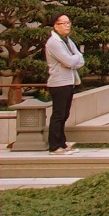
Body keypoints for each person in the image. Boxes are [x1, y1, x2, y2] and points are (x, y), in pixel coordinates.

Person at [45, 13, 85, 154]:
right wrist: (71, 60)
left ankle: (62, 142)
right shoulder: (54, 42)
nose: (67, 25)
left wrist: (71, 61)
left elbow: (80, 59)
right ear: (56, 26)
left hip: (69, 81)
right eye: (64, 23)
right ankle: (54, 145)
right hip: (58, 83)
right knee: (58, 114)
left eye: (68, 22)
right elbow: (70, 61)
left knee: (65, 114)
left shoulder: (67, 40)